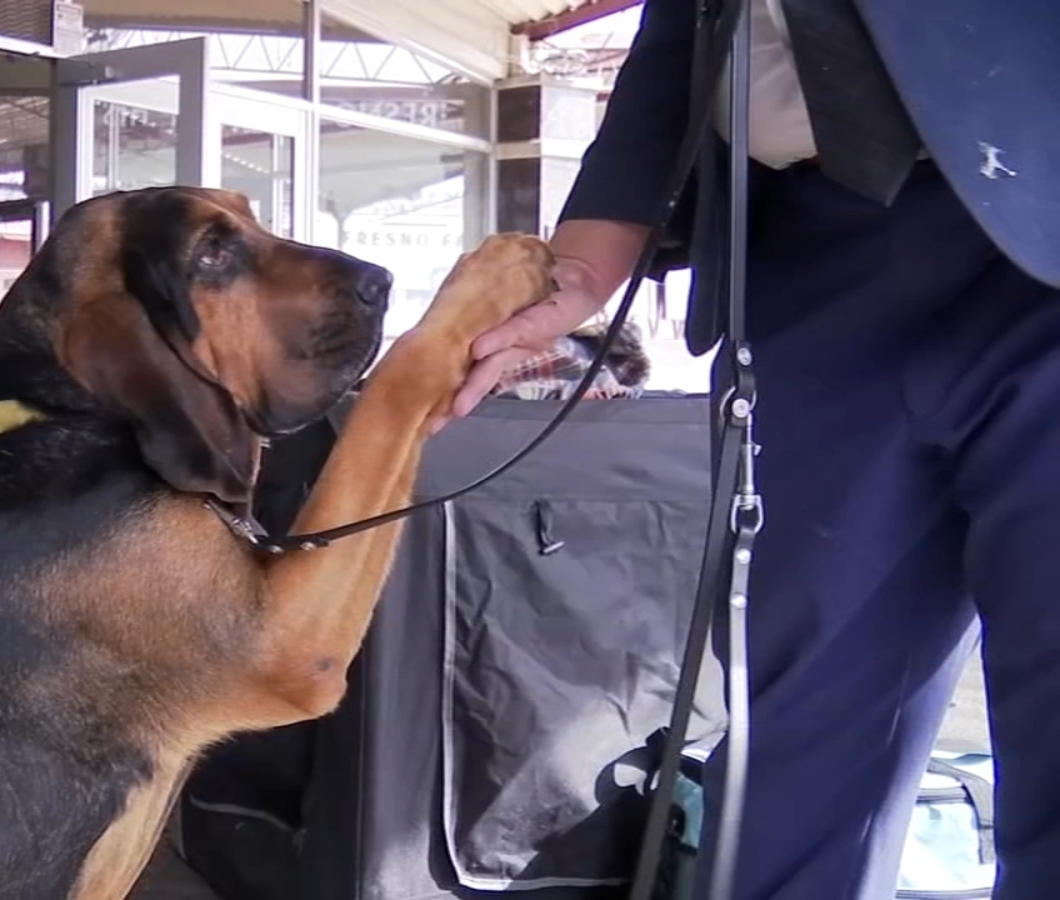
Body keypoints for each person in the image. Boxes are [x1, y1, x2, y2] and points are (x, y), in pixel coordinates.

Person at [449, 1, 1060, 898]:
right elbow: (682, 42)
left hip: (1039, 234)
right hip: (805, 258)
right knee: (801, 714)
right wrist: (584, 264)